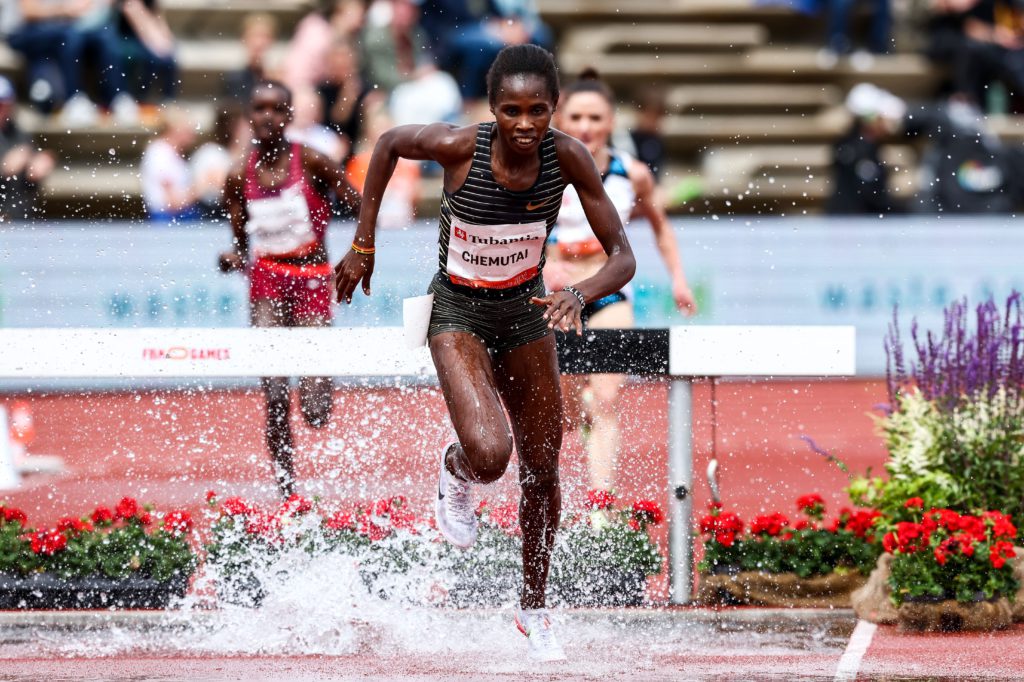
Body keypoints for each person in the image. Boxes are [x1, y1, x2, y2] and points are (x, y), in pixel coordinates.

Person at [334, 44, 636, 662]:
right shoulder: (457, 147)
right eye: (510, 111)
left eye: (538, 111)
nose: (525, 125)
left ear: (552, 109)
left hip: (526, 312)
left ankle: (533, 607)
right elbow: (388, 143)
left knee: (545, 466)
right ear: (491, 109)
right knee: (491, 454)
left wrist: (580, 292)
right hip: (457, 313)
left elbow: (623, 257)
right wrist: (364, 243)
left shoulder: (569, 156)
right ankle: (455, 469)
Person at [543, 70, 697, 494]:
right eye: (576, 117)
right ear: (560, 119)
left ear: (611, 122)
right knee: (567, 413)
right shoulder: (541, 169)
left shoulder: (633, 174)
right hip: (557, 298)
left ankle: (601, 508)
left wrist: (679, 280)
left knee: (608, 399)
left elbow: (660, 227)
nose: (586, 127)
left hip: (609, 293)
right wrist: (543, 267)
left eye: (595, 118)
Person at [220, 81, 361, 498]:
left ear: (289, 116)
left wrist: (360, 250)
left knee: (315, 408)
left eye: (276, 110)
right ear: (249, 118)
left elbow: (358, 202)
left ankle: (319, 393)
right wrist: (232, 258)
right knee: (276, 392)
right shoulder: (236, 175)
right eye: (259, 110)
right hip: (266, 280)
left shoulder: (314, 161)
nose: (267, 118)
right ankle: (287, 490)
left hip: (314, 278)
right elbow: (240, 242)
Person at [827, 83, 908, 215]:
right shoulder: (856, 151)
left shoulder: (856, 147)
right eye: (881, 118)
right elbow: (870, 197)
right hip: (851, 226)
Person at [0, 75, 54, 221]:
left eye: (3, 104)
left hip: (19, 219)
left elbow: (34, 160)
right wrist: (4, 166)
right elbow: (10, 166)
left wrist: (41, 162)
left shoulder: (18, 133)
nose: (2, 109)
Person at [140, 106, 198, 222]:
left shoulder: (173, 153)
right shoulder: (160, 152)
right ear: (175, 129)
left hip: (176, 217)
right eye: (188, 130)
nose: (193, 135)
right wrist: (203, 185)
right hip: (166, 219)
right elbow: (173, 202)